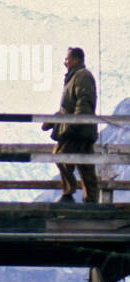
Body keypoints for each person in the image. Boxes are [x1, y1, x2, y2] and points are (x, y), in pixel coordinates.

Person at [42, 47, 98, 204]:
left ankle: (69, 192)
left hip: (78, 130)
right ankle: (92, 202)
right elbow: (66, 108)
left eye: (67, 59)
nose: (64, 62)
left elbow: (84, 104)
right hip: (80, 129)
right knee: (86, 168)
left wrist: (72, 126)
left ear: (76, 60)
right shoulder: (73, 78)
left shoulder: (82, 76)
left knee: (61, 155)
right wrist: (52, 121)